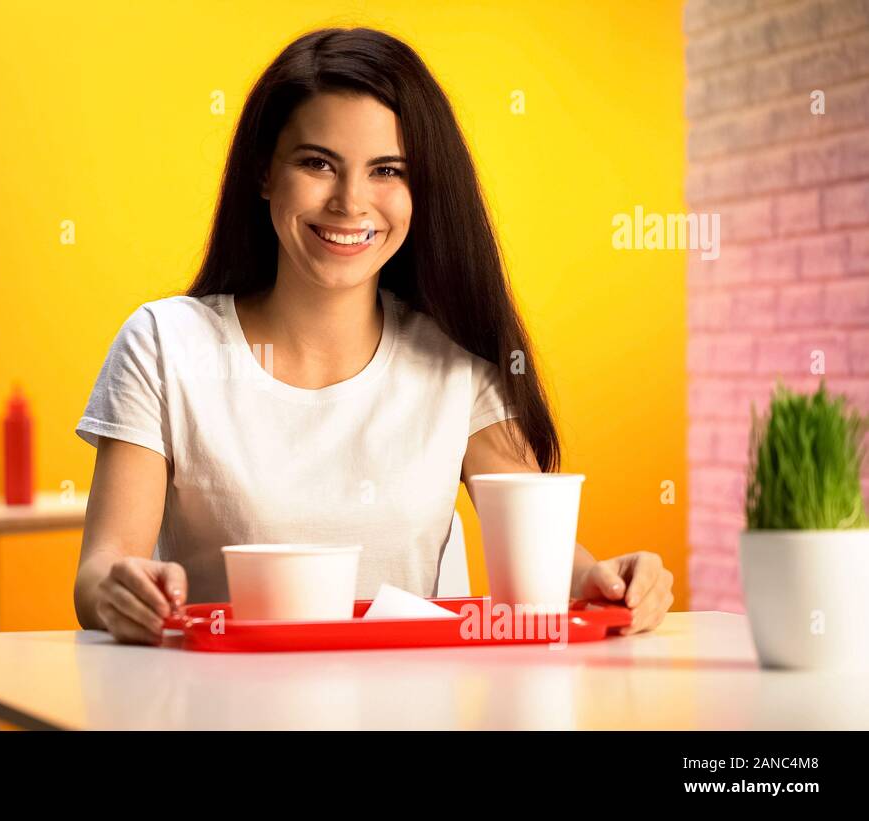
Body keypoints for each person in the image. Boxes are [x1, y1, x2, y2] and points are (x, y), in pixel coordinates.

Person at [73, 27, 673, 645]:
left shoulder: (455, 360)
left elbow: (547, 558)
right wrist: (120, 594)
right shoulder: (164, 345)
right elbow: (100, 572)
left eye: (386, 170)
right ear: (263, 173)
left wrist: (609, 581)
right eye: (317, 164)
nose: (350, 203)